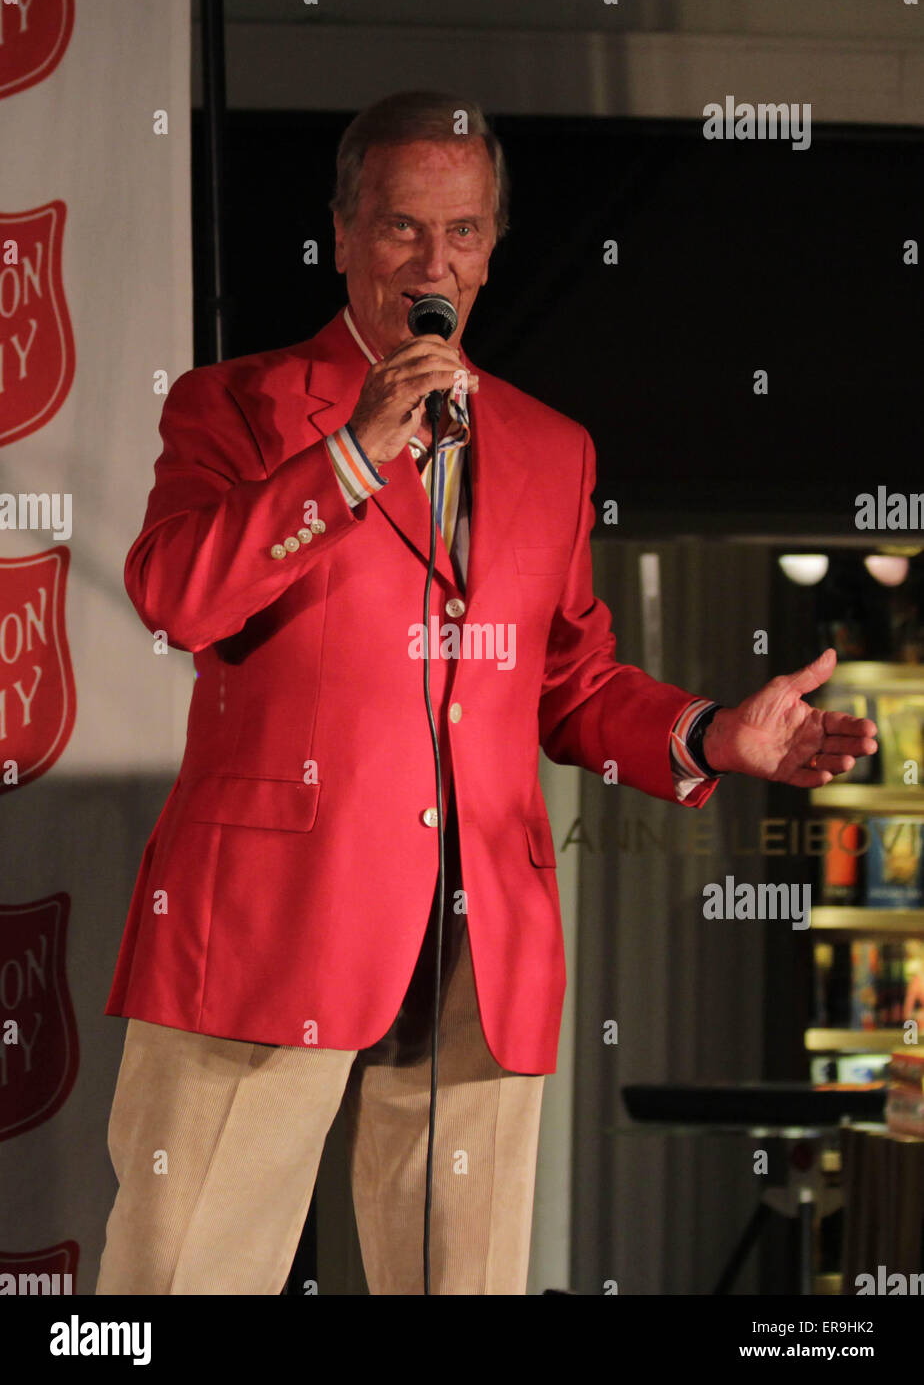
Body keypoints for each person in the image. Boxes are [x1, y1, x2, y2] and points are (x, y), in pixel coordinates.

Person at [96, 90, 877, 1296]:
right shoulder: (236, 407)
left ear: (496, 245)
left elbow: (568, 677)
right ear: (344, 234)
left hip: (476, 939)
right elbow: (174, 595)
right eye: (403, 228)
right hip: (266, 925)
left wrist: (713, 733)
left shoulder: (551, 448)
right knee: (179, 1281)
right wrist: (353, 453)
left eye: (463, 233)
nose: (434, 262)